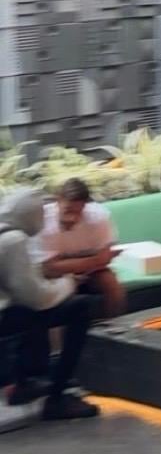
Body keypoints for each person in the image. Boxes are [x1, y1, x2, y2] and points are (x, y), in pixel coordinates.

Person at [0, 188, 99, 420]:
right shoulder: (14, 240)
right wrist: (68, 283)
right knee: (81, 307)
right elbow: (37, 298)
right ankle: (57, 397)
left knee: (28, 314)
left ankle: (24, 383)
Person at [39, 177, 124, 319]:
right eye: (68, 211)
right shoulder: (43, 221)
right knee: (63, 296)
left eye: (78, 212)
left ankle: (112, 327)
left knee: (112, 285)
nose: (72, 218)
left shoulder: (98, 217)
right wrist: (94, 260)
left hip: (92, 271)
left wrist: (70, 264)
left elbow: (104, 259)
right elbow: (50, 267)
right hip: (55, 276)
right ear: (58, 201)